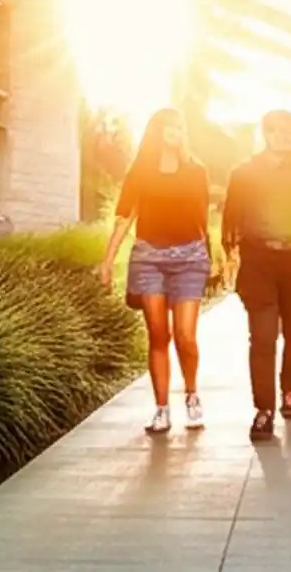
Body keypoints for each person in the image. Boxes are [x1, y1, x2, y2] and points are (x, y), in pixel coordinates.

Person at [99, 108, 213, 434]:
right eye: (168, 125)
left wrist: (211, 256)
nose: (175, 131)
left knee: (186, 336)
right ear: (156, 131)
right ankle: (161, 409)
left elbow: (202, 220)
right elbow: (125, 218)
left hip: (190, 257)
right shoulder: (141, 172)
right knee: (158, 334)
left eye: (179, 125)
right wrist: (107, 261)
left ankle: (191, 394)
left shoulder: (196, 171)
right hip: (149, 257)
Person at [222, 110, 291, 441]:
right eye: (278, 131)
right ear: (265, 134)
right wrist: (230, 259)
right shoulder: (244, 174)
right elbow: (231, 220)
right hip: (258, 259)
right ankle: (264, 409)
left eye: (290, 131)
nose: (285, 136)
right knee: (263, 336)